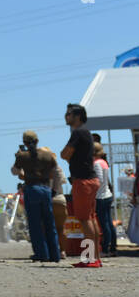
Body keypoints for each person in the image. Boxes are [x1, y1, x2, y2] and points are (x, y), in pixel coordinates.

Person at [62, 104, 102, 267]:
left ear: (77, 116)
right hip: (90, 180)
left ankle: (90, 259)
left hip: (83, 181)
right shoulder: (86, 132)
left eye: (69, 113)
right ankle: (95, 258)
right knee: (91, 219)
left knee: (85, 220)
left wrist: (67, 155)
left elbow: (65, 154)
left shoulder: (77, 132)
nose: (66, 116)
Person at [11, 130, 60, 263]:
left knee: (35, 224)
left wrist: (18, 157)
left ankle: (41, 253)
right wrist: (54, 189)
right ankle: (55, 254)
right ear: (37, 141)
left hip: (32, 189)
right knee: (49, 223)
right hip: (46, 189)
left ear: (24, 142)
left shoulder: (23, 156)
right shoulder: (47, 155)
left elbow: (14, 172)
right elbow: (56, 173)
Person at [93, 143, 116, 257]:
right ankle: (112, 247)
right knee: (109, 222)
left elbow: (99, 180)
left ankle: (105, 248)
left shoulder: (97, 163)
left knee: (104, 223)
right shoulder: (104, 162)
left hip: (100, 196)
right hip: (107, 194)